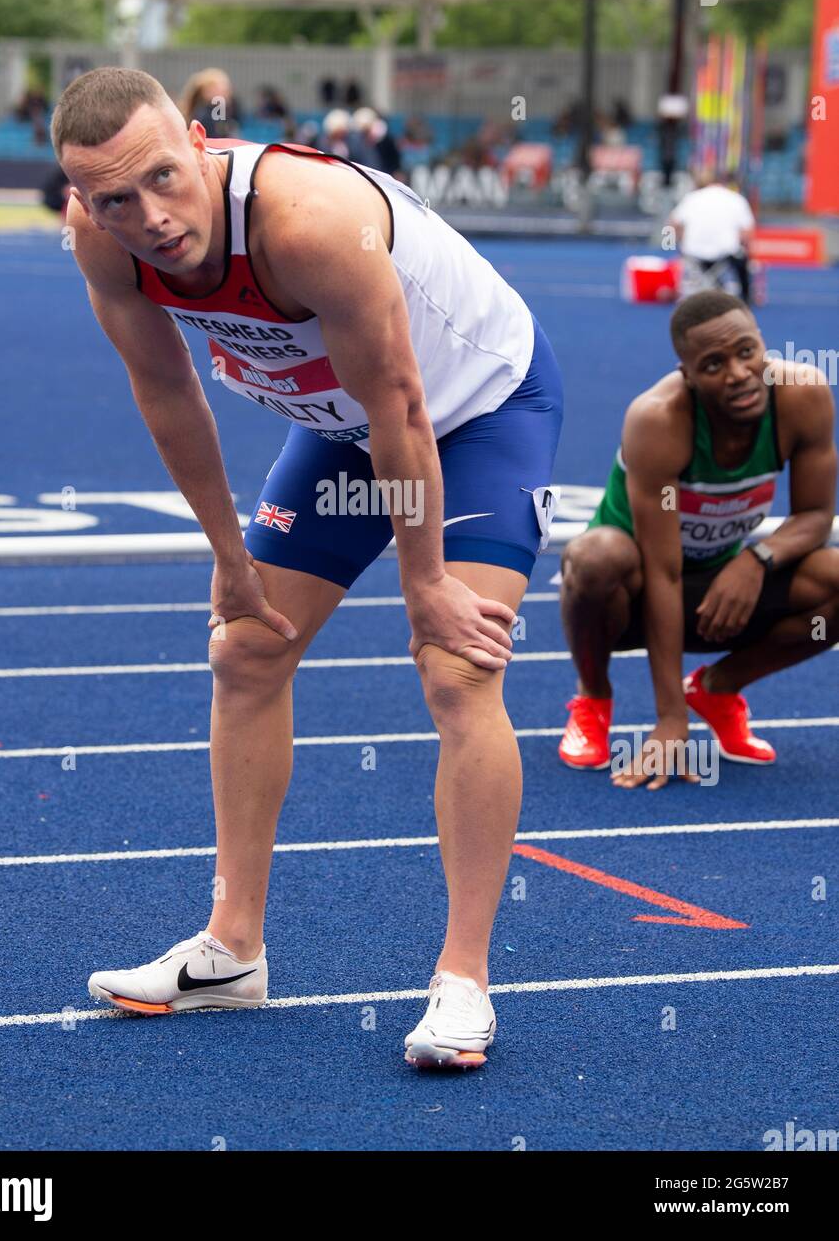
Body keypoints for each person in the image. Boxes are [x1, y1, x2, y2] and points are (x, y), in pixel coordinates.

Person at [51, 66, 563, 1068]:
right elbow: (167, 395)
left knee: (456, 667)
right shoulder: (101, 245)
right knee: (245, 649)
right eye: (114, 199)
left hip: (472, 410)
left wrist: (423, 585)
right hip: (335, 422)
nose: (148, 217)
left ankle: (463, 978)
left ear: (198, 140)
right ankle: (232, 949)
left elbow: (404, 409)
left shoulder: (309, 221)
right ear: (82, 199)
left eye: (161, 177)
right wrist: (228, 558)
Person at [558, 290, 838, 788]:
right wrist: (670, 721)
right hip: (633, 591)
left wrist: (756, 561)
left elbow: (816, 515)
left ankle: (717, 688)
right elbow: (664, 573)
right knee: (594, 557)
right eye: (713, 364)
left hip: (717, 589)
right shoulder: (659, 420)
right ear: (687, 374)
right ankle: (593, 700)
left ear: (763, 345)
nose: (737, 373)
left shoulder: (803, 396)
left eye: (746, 352)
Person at [669, 170, 755, 303]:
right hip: (726, 252)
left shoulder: (691, 198)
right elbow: (748, 231)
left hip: (693, 252)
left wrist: (674, 245)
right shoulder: (736, 199)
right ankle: (747, 296)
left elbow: (672, 224)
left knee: (702, 264)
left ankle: (708, 285)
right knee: (741, 258)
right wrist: (744, 247)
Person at [178, 68, 243, 140]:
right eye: (222, 90)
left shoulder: (225, 112)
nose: (228, 93)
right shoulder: (204, 116)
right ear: (207, 92)